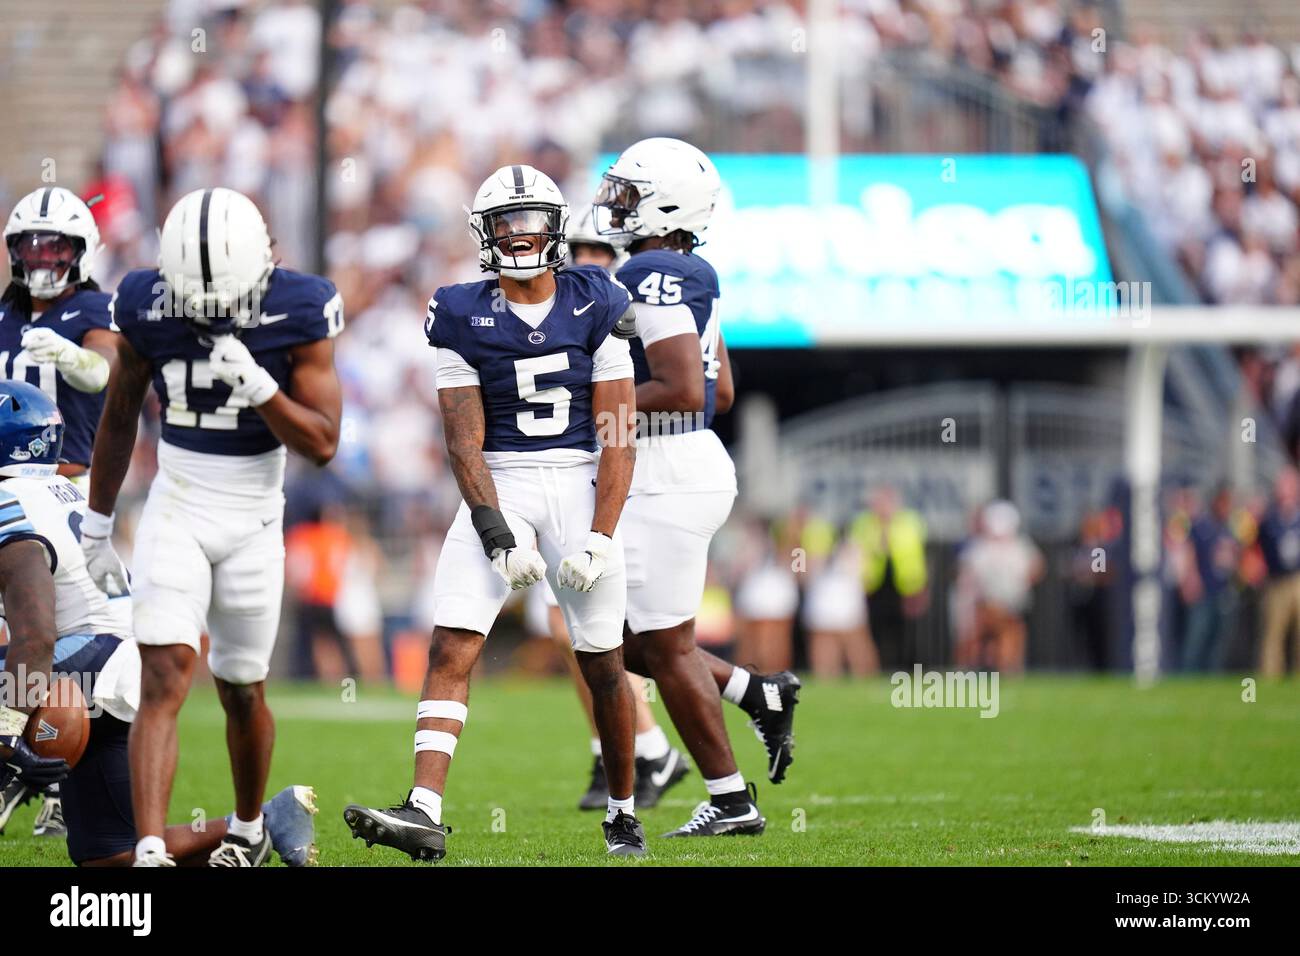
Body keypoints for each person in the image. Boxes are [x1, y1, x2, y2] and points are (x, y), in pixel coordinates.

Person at [343, 165, 646, 859]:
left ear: (555, 225)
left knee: (602, 660)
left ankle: (624, 812)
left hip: (577, 477)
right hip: (500, 476)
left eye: (529, 220)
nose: (518, 235)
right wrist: (496, 535)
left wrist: (600, 536)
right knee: (453, 644)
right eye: (504, 223)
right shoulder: (458, 311)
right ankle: (423, 809)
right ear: (485, 233)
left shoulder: (597, 301)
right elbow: (463, 440)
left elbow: (618, 436)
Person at [82, 186, 344, 867]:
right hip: (178, 502)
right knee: (165, 671)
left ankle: (251, 826)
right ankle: (148, 850)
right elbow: (119, 412)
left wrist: (261, 388)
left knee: (241, 687)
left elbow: (321, 444)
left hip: (257, 516)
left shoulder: (301, 304)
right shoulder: (144, 300)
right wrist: (96, 521)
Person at [0, 380, 319, 865]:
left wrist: (8, 727)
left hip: (87, 664)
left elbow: (36, 635)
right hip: (123, 669)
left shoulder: (10, 504)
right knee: (108, 857)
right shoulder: (63, 489)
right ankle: (262, 823)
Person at [595, 137, 799, 837]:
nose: (614, 202)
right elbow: (724, 385)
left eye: (627, 191)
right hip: (677, 463)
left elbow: (686, 387)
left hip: (665, 469)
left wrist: (596, 405)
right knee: (621, 644)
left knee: (661, 647)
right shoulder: (675, 268)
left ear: (665, 202)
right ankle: (754, 692)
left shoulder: (655, 268)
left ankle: (731, 797)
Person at [2, 185, 126, 837]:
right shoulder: (5, 315)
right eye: (29, 243)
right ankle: (41, 756)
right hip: (10, 482)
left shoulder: (91, 308)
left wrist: (74, 357)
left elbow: (104, 371)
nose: (41, 255)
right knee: (28, 633)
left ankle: (46, 766)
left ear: (81, 251)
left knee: (47, 633)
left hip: (64, 484)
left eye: (54, 244)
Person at [560, 207, 689, 813]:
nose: (587, 262)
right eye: (577, 250)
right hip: (567, 473)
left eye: (597, 250)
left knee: (611, 626)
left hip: (617, 474)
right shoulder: (562, 301)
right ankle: (617, 746)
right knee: (576, 631)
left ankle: (654, 745)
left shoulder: (628, 306)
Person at [954, 501, 1044, 672]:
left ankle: (1008, 670)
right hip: (985, 606)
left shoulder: (1020, 547)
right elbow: (968, 578)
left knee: (1010, 644)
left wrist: (1020, 587)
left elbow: (1036, 568)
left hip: (1012, 606)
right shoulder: (980, 548)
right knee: (974, 645)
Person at [1182, 486, 1241, 672]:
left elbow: (1234, 558)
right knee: (1196, 639)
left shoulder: (1229, 528)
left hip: (1223, 591)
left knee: (1218, 642)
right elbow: (1189, 552)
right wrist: (1191, 578)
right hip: (1204, 591)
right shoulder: (1202, 526)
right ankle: (1188, 677)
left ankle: (1212, 678)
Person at [1257, 467, 1300, 675]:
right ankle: (1270, 675)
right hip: (1276, 580)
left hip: (1298, 578)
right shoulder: (1269, 518)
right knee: (1274, 632)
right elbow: (1257, 548)